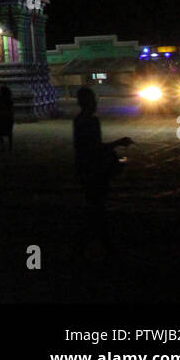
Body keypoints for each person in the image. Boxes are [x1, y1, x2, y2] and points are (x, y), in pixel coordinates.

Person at [73, 87, 132, 253]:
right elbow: (94, 147)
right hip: (93, 170)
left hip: (84, 167)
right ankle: (100, 243)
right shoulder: (90, 121)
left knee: (94, 206)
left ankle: (94, 241)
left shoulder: (78, 120)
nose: (96, 103)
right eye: (93, 100)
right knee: (97, 207)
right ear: (88, 102)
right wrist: (117, 144)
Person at [0, 85, 15, 152]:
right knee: (9, 132)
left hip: (1, 117)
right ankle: (10, 147)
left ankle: (3, 146)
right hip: (8, 117)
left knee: (0, 132)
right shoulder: (9, 100)